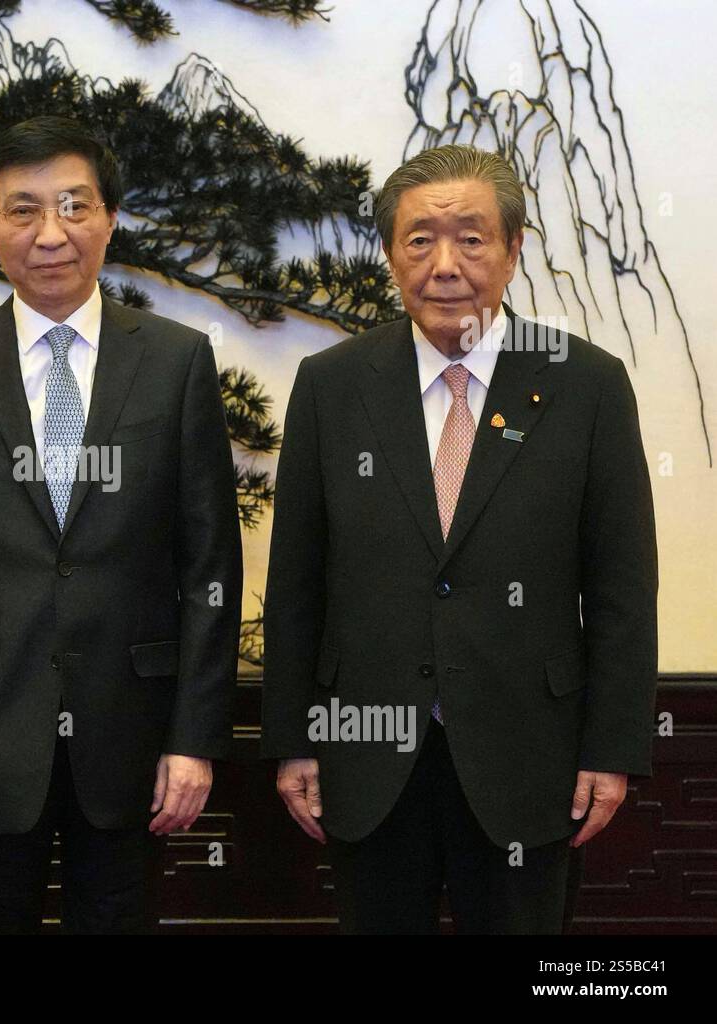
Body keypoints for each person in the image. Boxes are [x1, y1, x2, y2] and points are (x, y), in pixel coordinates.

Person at [262, 144, 658, 933]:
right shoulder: (332, 385)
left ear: (514, 250)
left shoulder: (587, 383)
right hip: (367, 751)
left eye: (472, 239)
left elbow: (621, 588)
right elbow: (297, 581)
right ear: (389, 254)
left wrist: (611, 750)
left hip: (531, 757)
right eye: (419, 240)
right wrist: (293, 741)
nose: (446, 264)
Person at [0, 115, 242, 934]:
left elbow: (209, 568)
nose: (51, 234)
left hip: (132, 743)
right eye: (23, 210)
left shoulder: (178, 361)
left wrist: (195, 739)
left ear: (111, 217)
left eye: (74, 206)